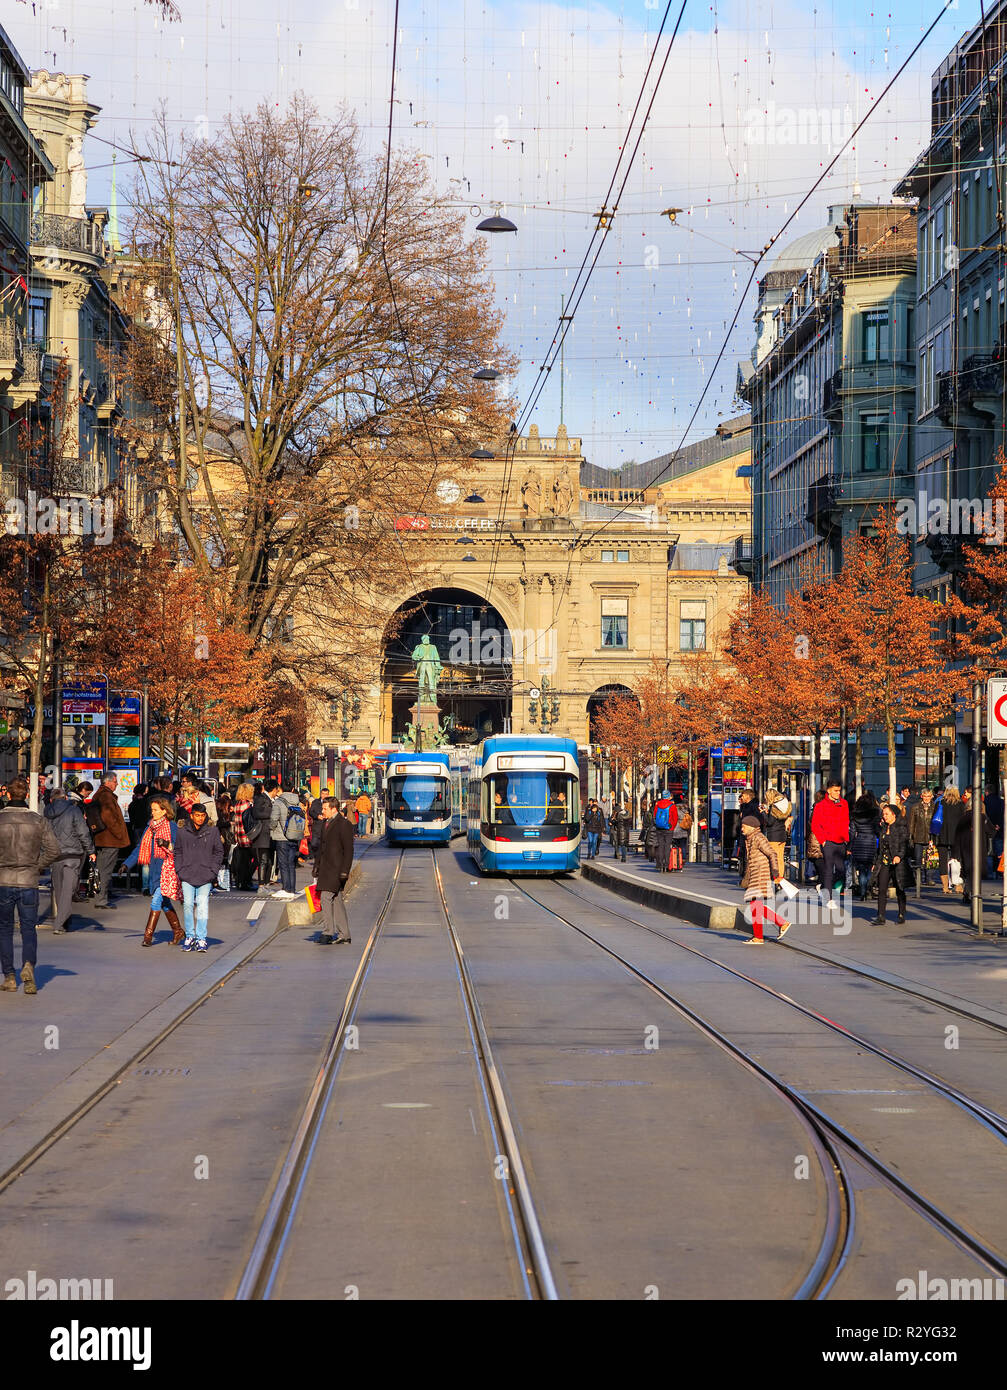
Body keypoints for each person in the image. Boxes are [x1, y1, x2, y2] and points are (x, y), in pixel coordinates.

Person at [0, 777, 61, 993]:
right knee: (28, 928)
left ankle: (9, 976)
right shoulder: (37, 820)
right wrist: (36, 866)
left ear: (7, 794)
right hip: (28, 880)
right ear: (27, 794)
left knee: (5, 929)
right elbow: (54, 850)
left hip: (3, 880)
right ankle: (28, 965)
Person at [123, 796, 185, 947]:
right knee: (164, 902)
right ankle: (178, 931)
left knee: (156, 901)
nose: (153, 813)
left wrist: (166, 843)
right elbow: (140, 848)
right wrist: (127, 864)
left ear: (164, 811)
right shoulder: (149, 827)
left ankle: (148, 936)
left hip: (167, 870)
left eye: (156, 810)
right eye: (152, 810)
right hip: (154, 871)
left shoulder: (172, 827)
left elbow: (179, 848)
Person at [173, 801, 224, 952]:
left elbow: (219, 852)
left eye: (202, 815)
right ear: (191, 816)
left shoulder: (212, 830)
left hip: (205, 875)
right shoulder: (182, 831)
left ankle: (201, 938)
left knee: (202, 906)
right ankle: (190, 936)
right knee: (188, 905)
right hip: (187, 874)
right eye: (197, 815)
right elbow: (178, 851)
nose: (200, 818)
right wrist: (179, 869)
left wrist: (213, 870)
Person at [44, 788, 93, 934]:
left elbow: (43, 834)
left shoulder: (47, 812)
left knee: (59, 890)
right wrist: (90, 850)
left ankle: (63, 921)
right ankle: (60, 924)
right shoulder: (74, 810)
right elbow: (83, 831)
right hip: (72, 854)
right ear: (65, 798)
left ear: (52, 799)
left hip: (55, 855)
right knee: (68, 890)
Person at [740, 814, 790, 944]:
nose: (742, 829)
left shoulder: (758, 838)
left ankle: (779, 924)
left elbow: (772, 853)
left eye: (744, 826)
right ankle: (759, 935)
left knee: (755, 905)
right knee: (755, 905)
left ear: (751, 827)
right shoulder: (751, 838)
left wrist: (775, 872)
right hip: (756, 874)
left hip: (761, 874)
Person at [314, 797, 355, 945]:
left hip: (337, 869)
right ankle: (345, 934)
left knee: (325, 897)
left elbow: (349, 850)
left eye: (325, 808)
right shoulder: (325, 823)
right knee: (336, 900)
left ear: (334, 809)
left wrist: (345, 870)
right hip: (326, 868)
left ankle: (328, 932)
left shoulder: (344, 824)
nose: (322, 811)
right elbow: (321, 847)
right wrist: (316, 865)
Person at [90, 772, 131, 910]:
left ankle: (103, 895)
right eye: (115, 781)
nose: (117, 784)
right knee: (105, 870)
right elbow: (108, 816)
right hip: (109, 839)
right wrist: (119, 833)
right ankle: (101, 899)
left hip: (103, 838)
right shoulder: (106, 796)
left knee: (102, 868)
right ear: (108, 782)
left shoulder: (100, 794)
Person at [810, 779, 850, 914]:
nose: (838, 793)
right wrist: (822, 840)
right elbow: (815, 824)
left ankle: (824, 888)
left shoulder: (844, 804)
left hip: (841, 841)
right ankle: (829, 898)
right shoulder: (821, 805)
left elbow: (846, 821)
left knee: (841, 870)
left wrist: (846, 840)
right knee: (828, 869)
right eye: (835, 791)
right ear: (828, 791)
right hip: (828, 842)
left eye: (839, 790)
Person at [873, 803, 909, 925]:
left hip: (897, 863)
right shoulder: (883, 828)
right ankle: (881, 916)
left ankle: (901, 913)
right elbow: (879, 848)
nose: (884, 816)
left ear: (894, 815)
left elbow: (904, 845)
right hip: (884, 862)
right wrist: (875, 862)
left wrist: (899, 856)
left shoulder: (901, 827)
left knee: (899, 888)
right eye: (883, 814)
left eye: (887, 814)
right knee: (882, 888)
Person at [269, 781, 305, 900]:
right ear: (293, 789)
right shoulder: (298, 802)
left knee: (283, 863)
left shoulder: (279, 802)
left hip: (282, 837)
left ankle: (286, 889)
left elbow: (273, 820)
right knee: (291, 864)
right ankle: (292, 889)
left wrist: (271, 829)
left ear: (281, 789)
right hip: (295, 835)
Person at [954, 800, 992, 905]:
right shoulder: (982, 817)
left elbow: (957, 836)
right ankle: (971, 893)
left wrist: (956, 853)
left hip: (965, 848)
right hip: (979, 848)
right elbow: (991, 832)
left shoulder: (962, 818)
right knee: (976, 871)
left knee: (969, 870)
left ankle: (968, 892)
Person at [849, 793, 880, 900]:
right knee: (869, 868)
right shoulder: (875, 815)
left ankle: (862, 892)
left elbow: (852, 833)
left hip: (859, 843)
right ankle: (867, 888)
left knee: (861, 870)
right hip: (871, 842)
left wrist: (850, 847)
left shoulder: (854, 816)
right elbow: (877, 831)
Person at [935, 786, 964, 894]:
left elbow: (935, 819)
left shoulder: (940, 803)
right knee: (956, 859)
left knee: (942, 861)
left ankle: (945, 886)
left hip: (942, 835)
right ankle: (957, 885)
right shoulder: (960, 804)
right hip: (956, 836)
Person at [229, 783, 258, 891]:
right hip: (248, 836)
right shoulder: (248, 805)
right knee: (256, 859)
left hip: (239, 835)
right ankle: (246, 880)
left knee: (243, 861)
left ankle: (241, 881)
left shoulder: (237, 805)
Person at [907, 787, 936, 887]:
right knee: (918, 858)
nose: (927, 798)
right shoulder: (915, 807)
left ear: (931, 796)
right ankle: (918, 878)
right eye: (925, 796)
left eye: (929, 796)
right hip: (918, 836)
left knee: (930, 859)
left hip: (930, 836)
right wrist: (910, 836)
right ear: (921, 796)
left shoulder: (935, 807)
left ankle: (929, 878)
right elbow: (911, 823)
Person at [251, 781, 275, 889]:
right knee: (263, 860)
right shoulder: (261, 798)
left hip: (269, 833)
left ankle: (265, 884)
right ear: (274, 789)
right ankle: (261, 885)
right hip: (262, 833)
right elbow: (256, 813)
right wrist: (272, 812)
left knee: (269, 860)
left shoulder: (269, 799)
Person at [652, 789, 677, 873]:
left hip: (659, 828)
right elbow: (675, 818)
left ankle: (660, 865)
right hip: (669, 829)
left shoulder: (657, 805)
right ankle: (666, 865)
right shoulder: (672, 806)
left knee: (660, 846)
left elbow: (655, 816)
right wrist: (672, 827)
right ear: (669, 796)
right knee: (667, 847)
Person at [806, 789, 826, 892]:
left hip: (814, 841)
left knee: (820, 865)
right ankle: (821, 885)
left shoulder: (814, 809)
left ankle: (820, 884)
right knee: (822, 866)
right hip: (819, 841)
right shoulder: (820, 809)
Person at [670, 794, 690, 870]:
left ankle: (676, 860)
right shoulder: (686, 808)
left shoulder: (674, 808)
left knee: (675, 846)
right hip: (684, 828)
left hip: (675, 829)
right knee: (683, 846)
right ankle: (683, 859)